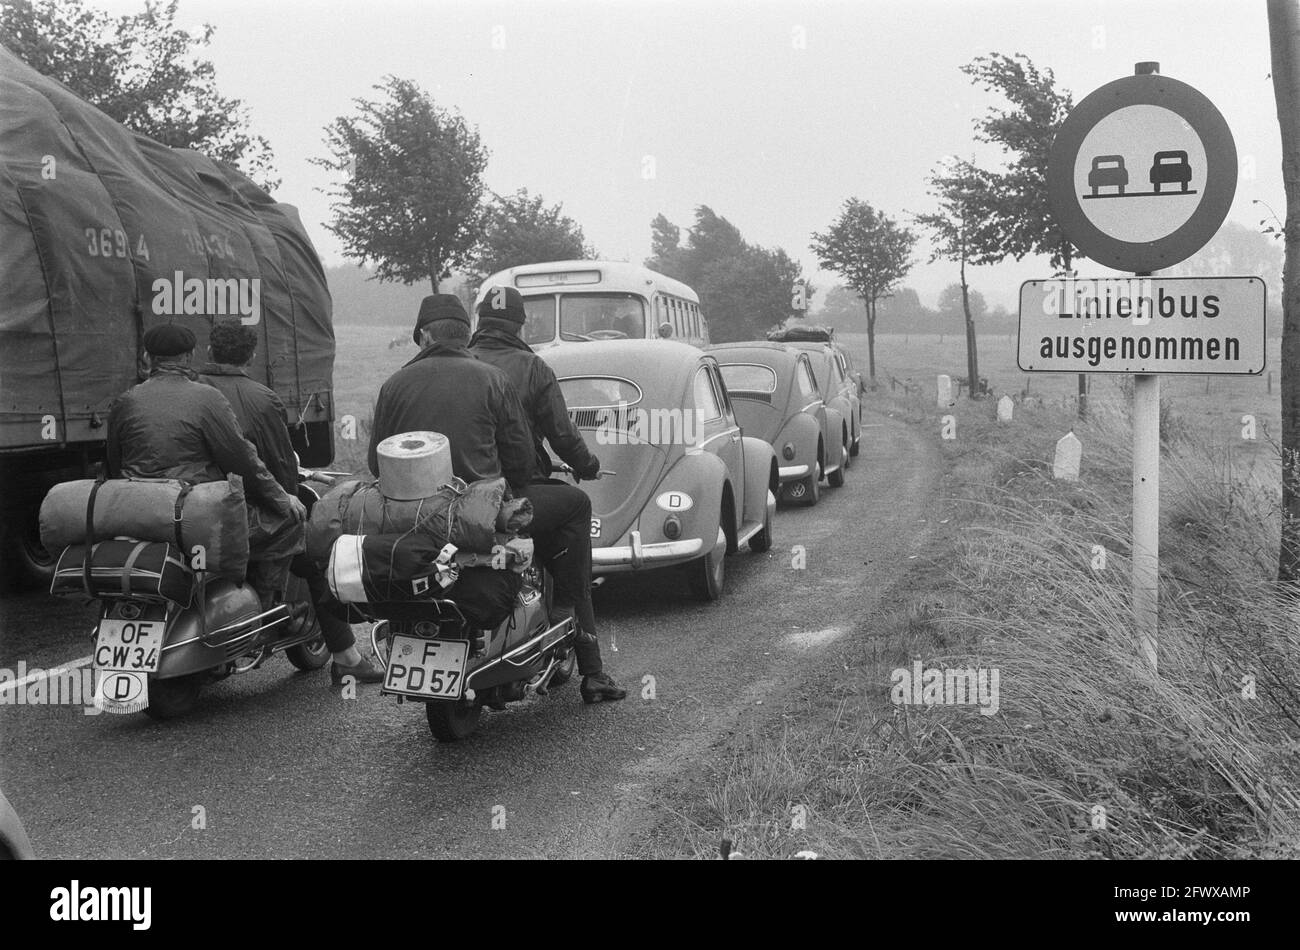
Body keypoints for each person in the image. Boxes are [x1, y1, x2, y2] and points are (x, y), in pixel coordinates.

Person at [369, 295, 625, 704]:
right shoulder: (497, 377)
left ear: (423, 336)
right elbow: (524, 464)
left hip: (415, 515)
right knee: (575, 505)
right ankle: (587, 655)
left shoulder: (392, 385)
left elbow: (375, 461)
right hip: (479, 514)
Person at [200, 320, 383, 685]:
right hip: (245, 512)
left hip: (187, 511)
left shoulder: (193, 392)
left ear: (208, 351)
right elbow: (280, 464)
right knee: (317, 560)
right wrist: (288, 494)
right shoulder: (260, 398)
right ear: (252, 356)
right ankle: (346, 657)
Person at [470, 287, 625, 703]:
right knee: (575, 507)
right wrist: (588, 465)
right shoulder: (532, 368)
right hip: (510, 493)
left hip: (452, 497)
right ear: (522, 324)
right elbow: (562, 435)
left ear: (480, 321)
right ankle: (590, 664)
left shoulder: (459, 364)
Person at [106, 323, 304, 617]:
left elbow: (112, 464)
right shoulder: (208, 399)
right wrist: (282, 500)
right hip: (190, 516)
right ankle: (259, 615)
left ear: (147, 357)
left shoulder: (125, 401)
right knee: (289, 523)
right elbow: (242, 462)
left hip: (137, 514)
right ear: (191, 356)